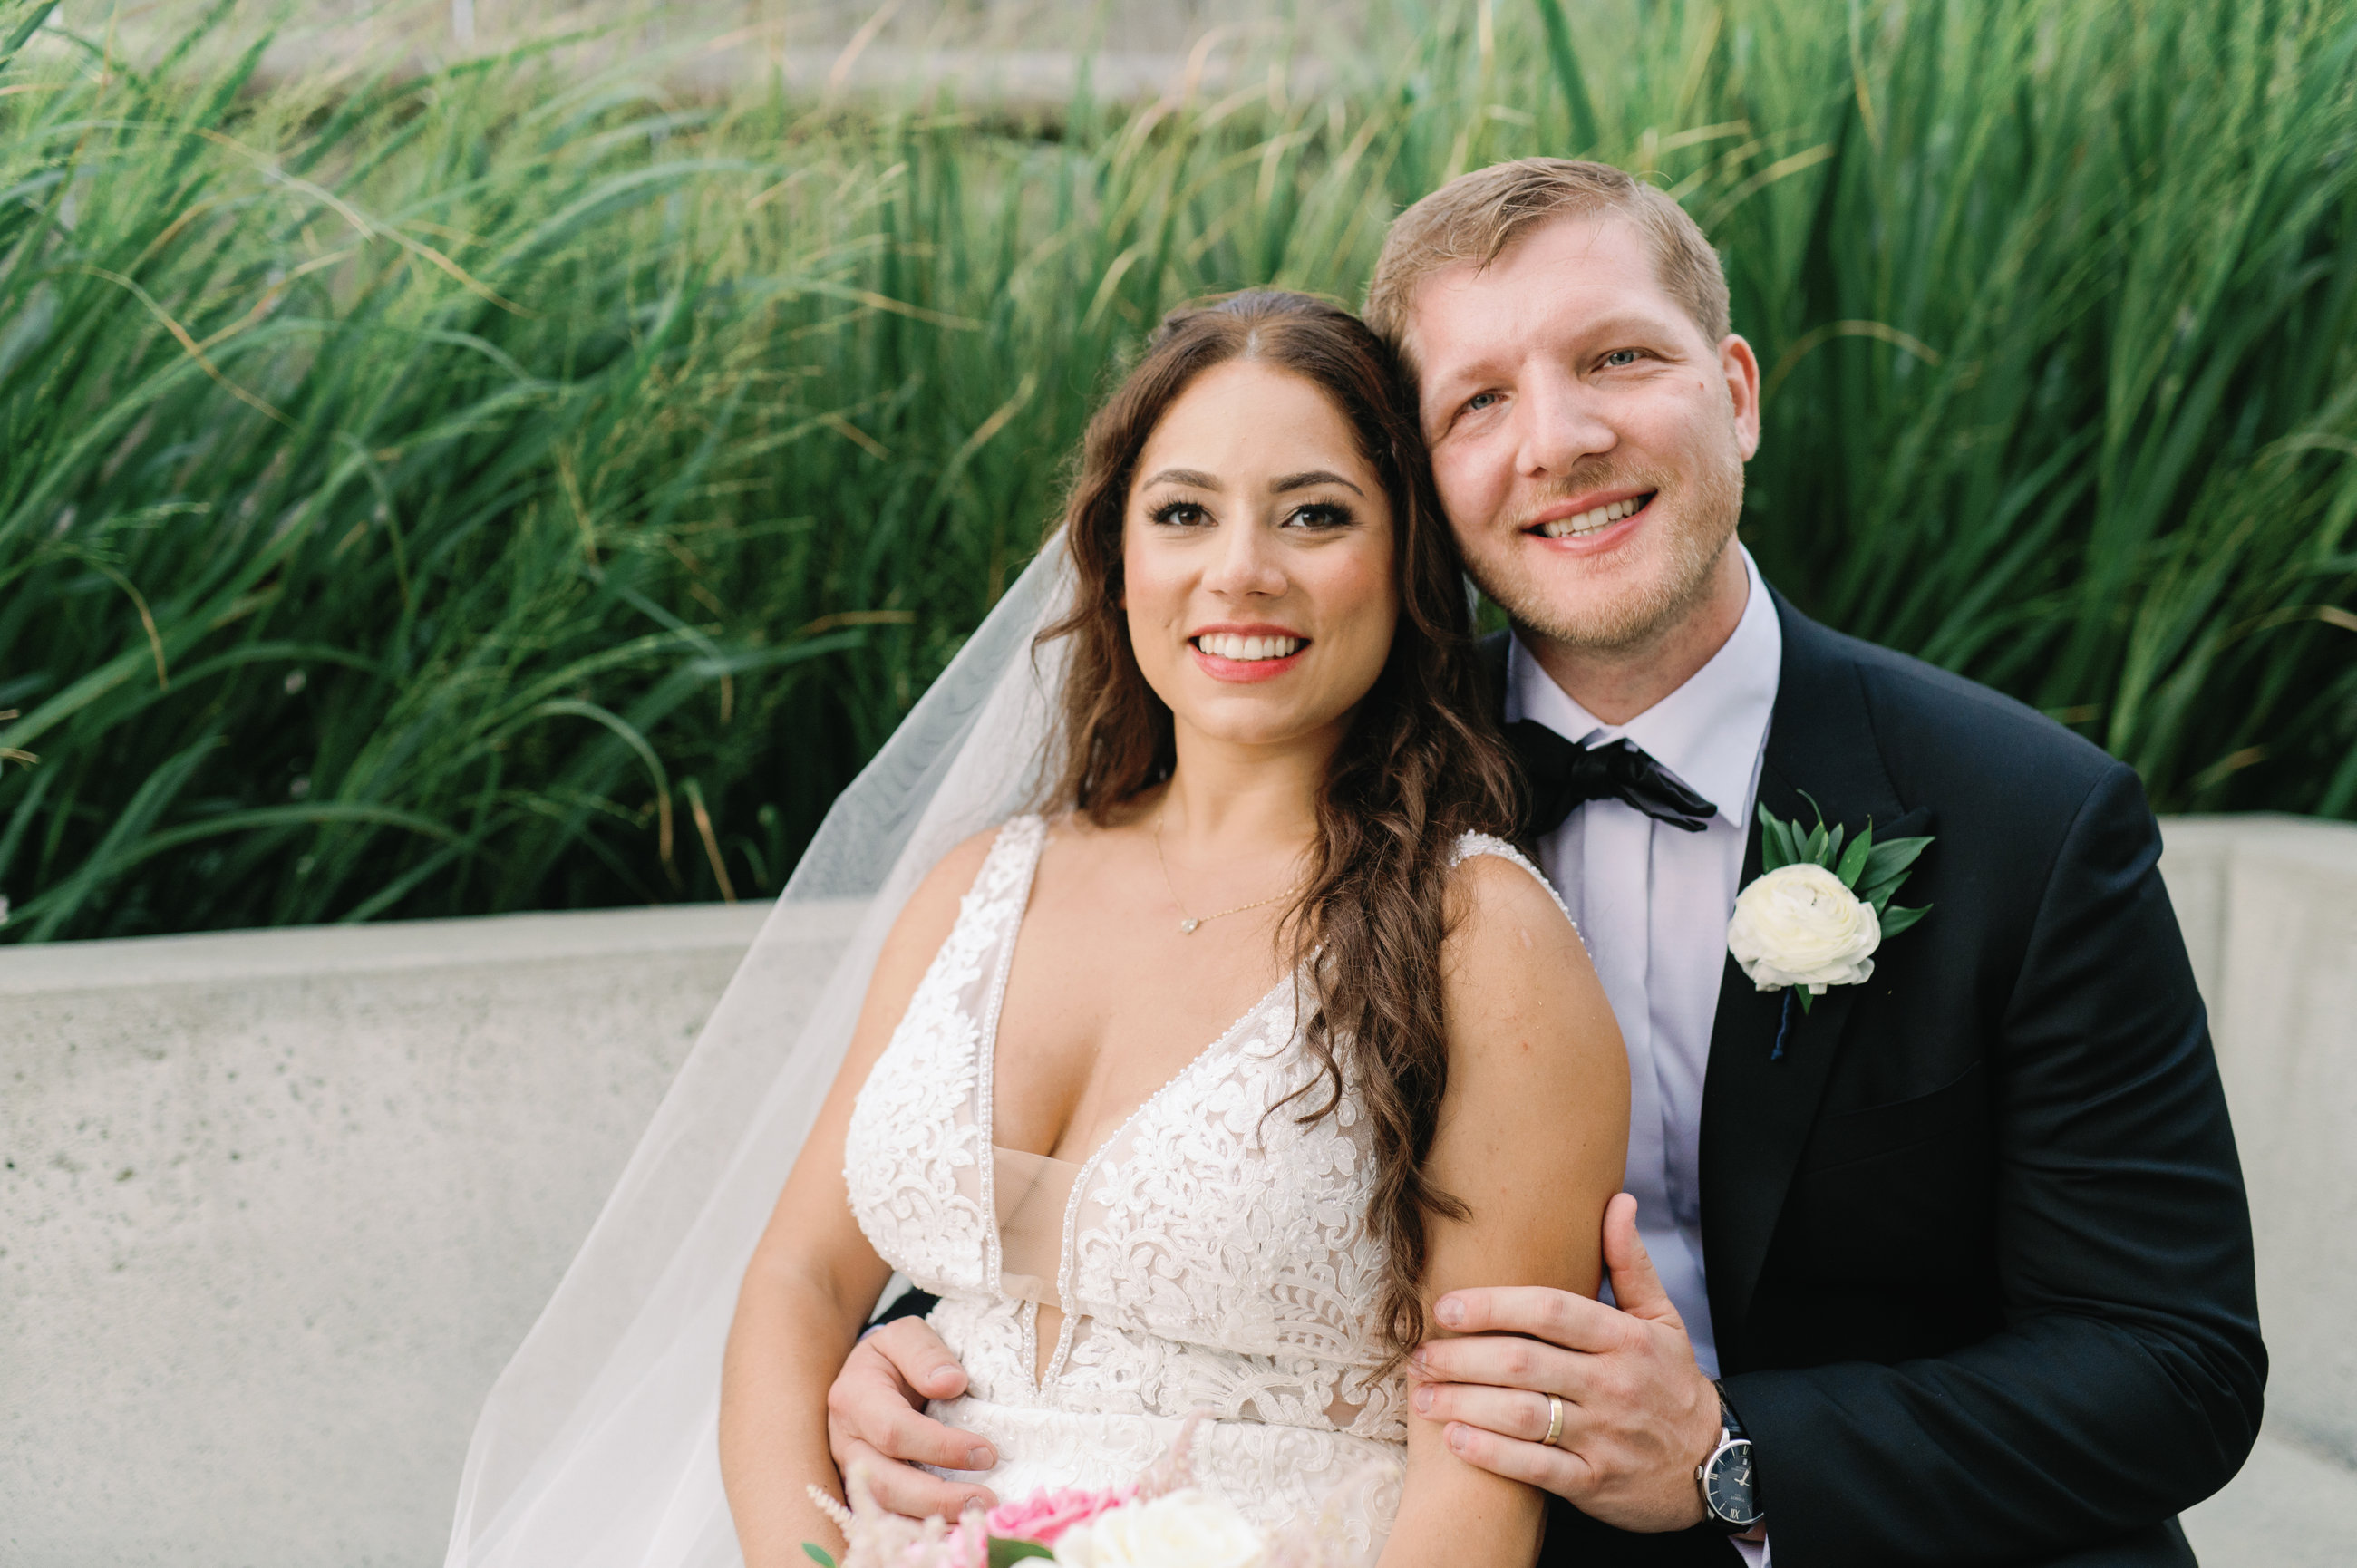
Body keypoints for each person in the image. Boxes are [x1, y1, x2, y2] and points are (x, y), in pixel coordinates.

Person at [825, 161, 2267, 1566]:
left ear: (1739, 393)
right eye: (1480, 402)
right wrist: (913, 1345)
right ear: (1423, 484)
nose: (1559, 439)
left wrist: (1730, 1453)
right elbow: (1140, 1146)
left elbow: (2177, 1361)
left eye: (1619, 358)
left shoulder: (2026, 815)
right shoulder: (1337, 790)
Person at [716, 291, 1632, 1566]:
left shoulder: (1478, 938)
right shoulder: (982, 887)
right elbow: (801, 1283)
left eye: (1315, 513)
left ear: (1406, 556)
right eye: (1184, 512)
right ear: (1117, 552)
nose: (1240, 569)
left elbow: (1476, 1476)